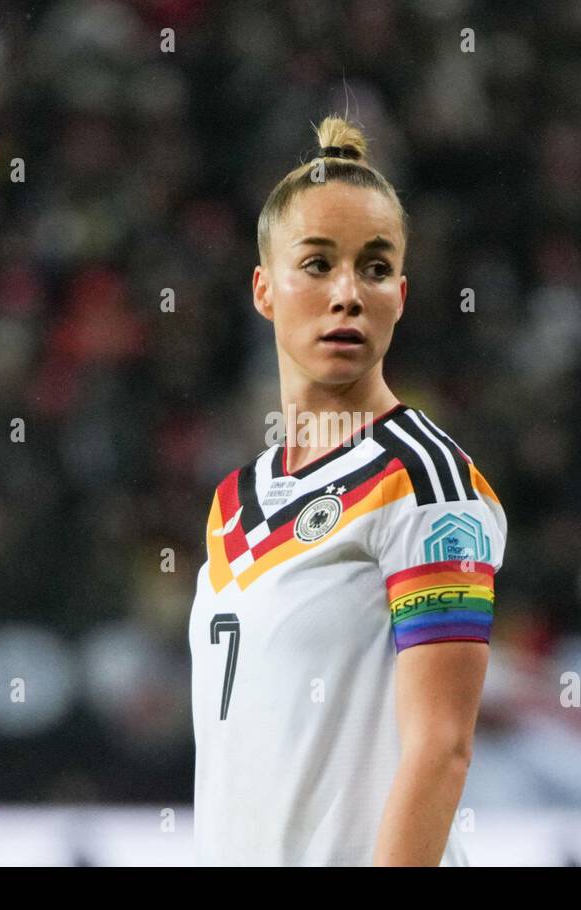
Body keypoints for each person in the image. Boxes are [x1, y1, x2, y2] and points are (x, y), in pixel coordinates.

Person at [188, 115, 507, 865]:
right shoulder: (233, 502)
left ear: (401, 293)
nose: (347, 294)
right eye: (317, 263)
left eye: (373, 267)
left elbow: (442, 750)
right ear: (264, 290)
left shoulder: (426, 483)